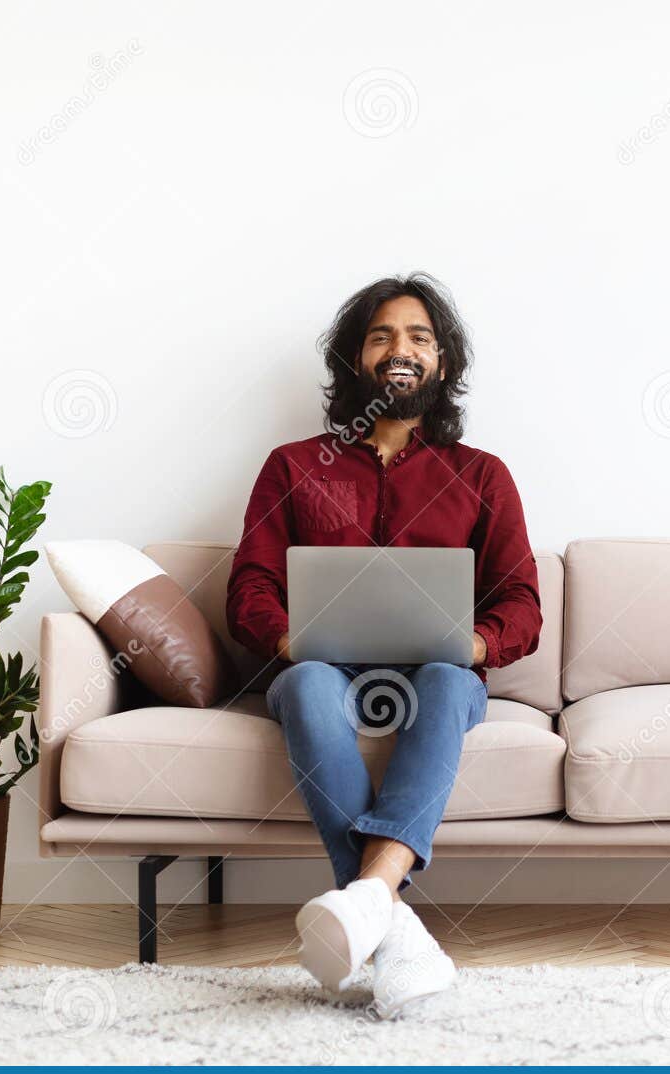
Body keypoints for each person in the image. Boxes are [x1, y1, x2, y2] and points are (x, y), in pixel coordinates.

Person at [226, 273, 540, 1017]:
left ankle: (366, 898)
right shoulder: (293, 466)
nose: (401, 349)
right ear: (354, 361)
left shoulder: (483, 476)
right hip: (325, 670)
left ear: (442, 363)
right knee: (302, 685)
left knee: (439, 674)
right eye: (381, 335)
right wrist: (287, 635)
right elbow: (249, 587)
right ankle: (390, 921)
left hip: (438, 674)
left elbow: (523, 602)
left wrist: (474, 643)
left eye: (420, 337)